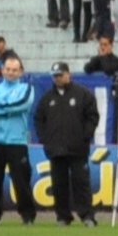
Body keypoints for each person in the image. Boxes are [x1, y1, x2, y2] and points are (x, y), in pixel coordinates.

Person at [35, 63, 99, 226]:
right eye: (55, 75)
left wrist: (85, 136)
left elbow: (92, 117)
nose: (57, 78)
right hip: (56, 149)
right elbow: (39, 119)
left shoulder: (82, 93)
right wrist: (45, 139)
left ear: (68, 74)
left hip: (77, 148)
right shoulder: (48, 97)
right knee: (59, 185)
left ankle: (87, 216)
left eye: (60, 75)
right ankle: (63, 216)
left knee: (81, 183)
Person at [0, 56, 38, 224]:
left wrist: (0, 106)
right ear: (2, 70)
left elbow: (22, 104)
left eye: (14, 70)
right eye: (8, 69)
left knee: (21, 180)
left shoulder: (26, 88)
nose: (10, 72)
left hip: (17, 141)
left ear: (20, 72)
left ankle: (27, 215)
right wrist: (7, 108)